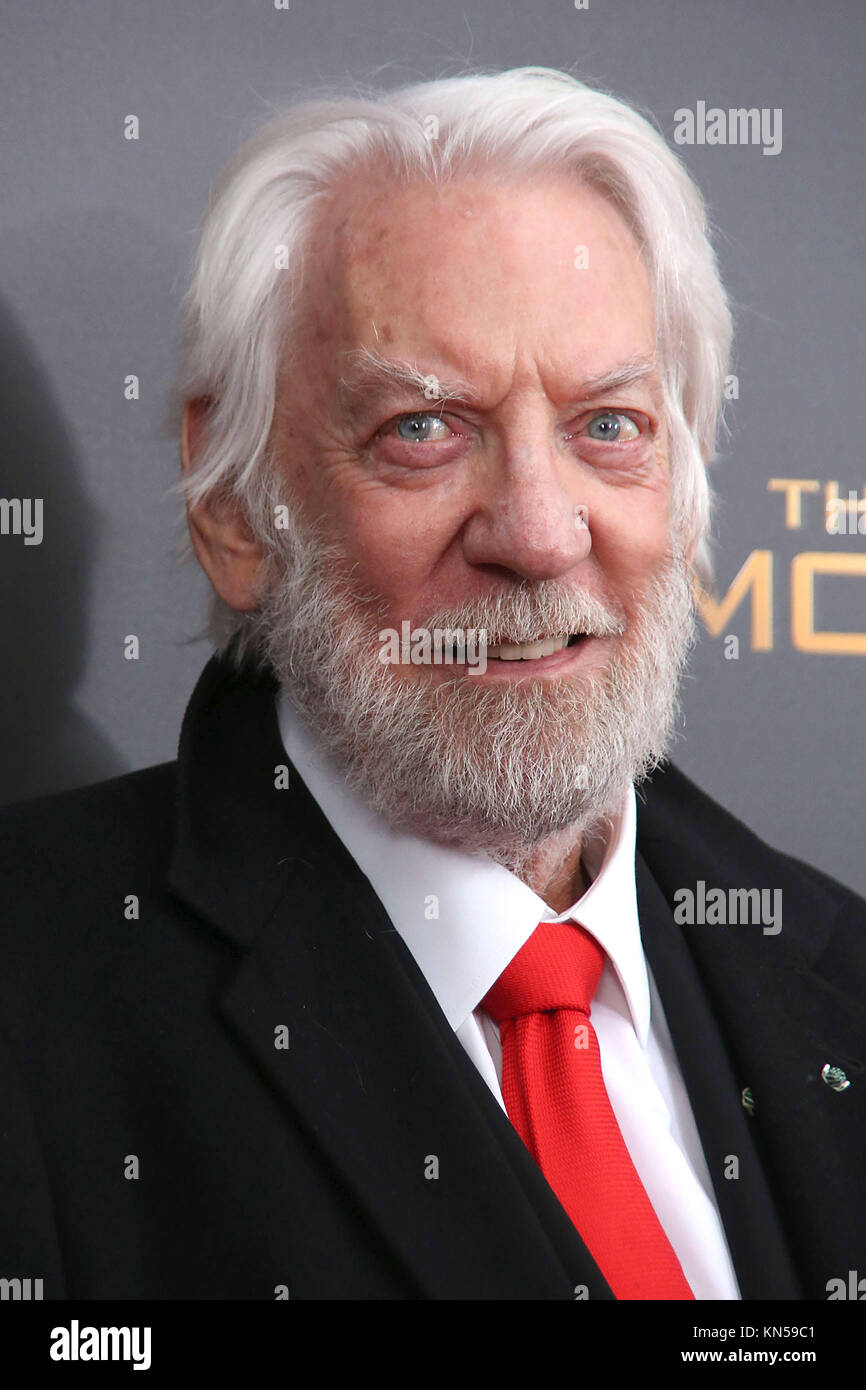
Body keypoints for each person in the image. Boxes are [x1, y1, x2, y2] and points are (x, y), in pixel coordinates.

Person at [1, 67, 863, 1302]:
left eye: (606, 425)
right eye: (422, 429)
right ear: (237, 506)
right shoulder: (33, 1001)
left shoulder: (835, 970)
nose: (536, 530)